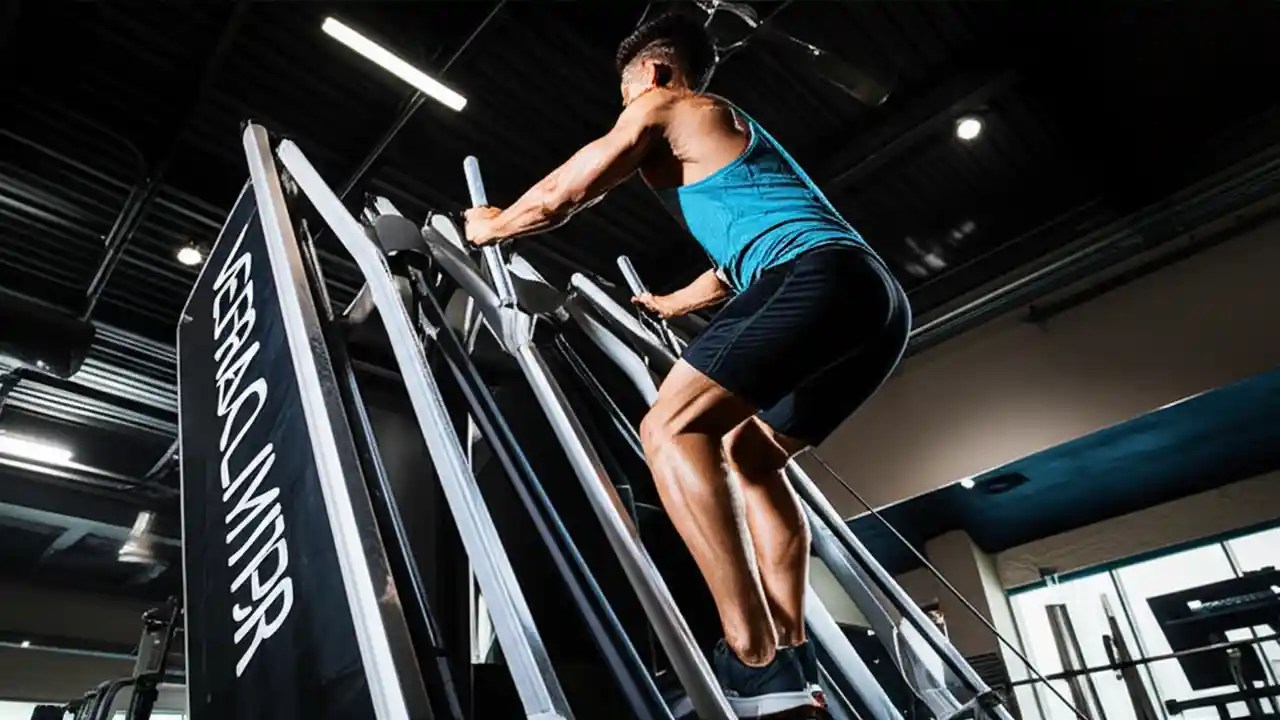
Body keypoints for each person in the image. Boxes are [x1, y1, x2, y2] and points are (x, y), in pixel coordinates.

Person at [465, 12, 910, 718]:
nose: (625, 109)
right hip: (877, 302)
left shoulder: (668, 102)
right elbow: (734, 263)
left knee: (670, 432)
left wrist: (494, 222)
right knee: (753, 457)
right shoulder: (730, 142)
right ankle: (792, 651)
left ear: (656, 72)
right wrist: (671, 304)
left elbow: (565, 195)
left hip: (813, 276)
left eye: (625, 92)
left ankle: (754, 658)